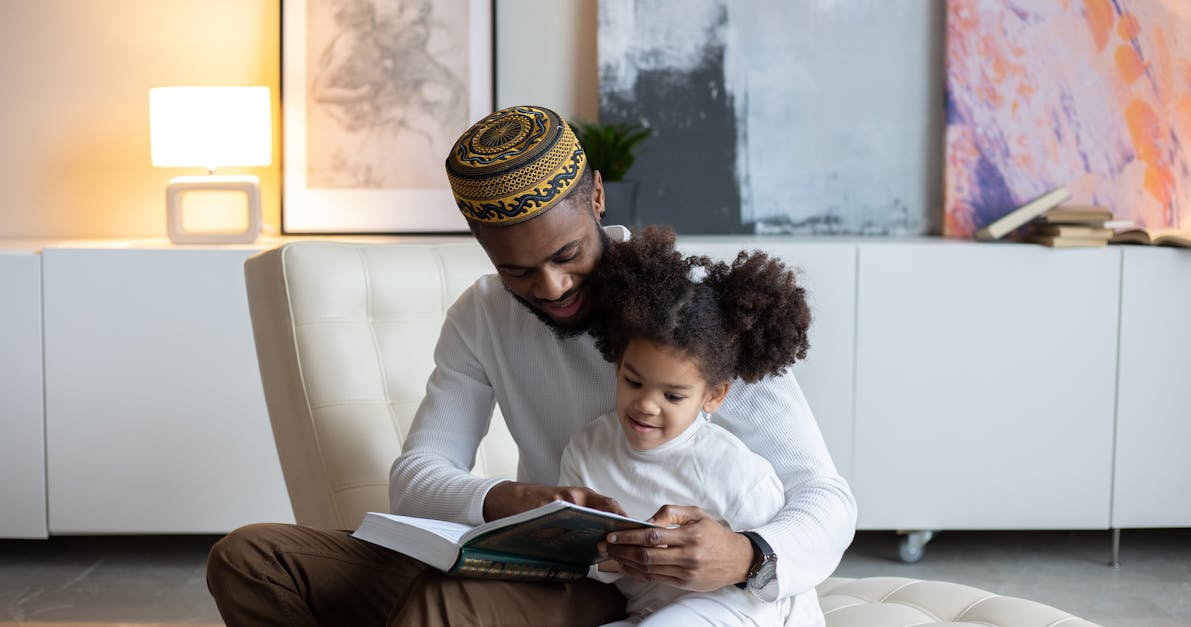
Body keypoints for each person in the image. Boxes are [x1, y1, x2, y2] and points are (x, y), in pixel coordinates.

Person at [207, 105, 856, 626]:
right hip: (527, 559)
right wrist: (509, 499)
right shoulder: (482, 315)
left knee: (442, 608)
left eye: (567, 253)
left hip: (629, 587)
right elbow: (416, 476)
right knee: (252, 560)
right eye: (517, 268)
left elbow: (825, 497)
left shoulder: (691, 315)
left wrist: (748, 555)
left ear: (597, 195)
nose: (550, 286)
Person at [560, 225, 820, 626]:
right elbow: (584, 562)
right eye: (633, 381)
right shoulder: (585, 450)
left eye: (673, 396)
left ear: (713, 396)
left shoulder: (736, 471)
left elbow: (785, 585)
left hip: (739, 611)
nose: (646, 404)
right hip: (647, 611)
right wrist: (603, 558)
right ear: (617, 364)